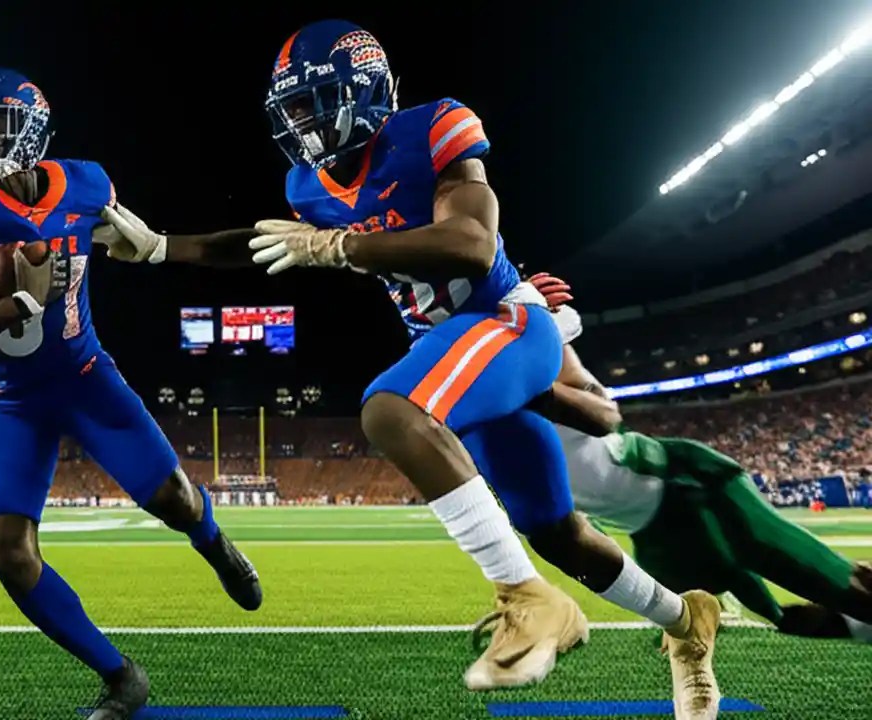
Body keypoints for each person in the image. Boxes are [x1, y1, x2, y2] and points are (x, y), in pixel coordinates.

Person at [97, 21, 720, 715]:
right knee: (557, 532)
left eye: (312, 104)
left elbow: (472, 242)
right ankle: (686, 620)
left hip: (504, 323)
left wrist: (342, 247)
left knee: (391, 410)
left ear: (364, 90)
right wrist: (160, 248)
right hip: (451, 351)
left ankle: (526, 599)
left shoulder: (433, 129)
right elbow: (263, 242)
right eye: (290, 111)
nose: (301, 126)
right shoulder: (308, 185)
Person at [0, 68, 261, 719]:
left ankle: (213, 541)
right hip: (11, 396)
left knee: (175, 499)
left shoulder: (86, 185)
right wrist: (15, 303)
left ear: (33, 132)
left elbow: (158, 247)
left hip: (86, 376)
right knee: (4, 550)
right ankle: (120, 676)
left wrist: (150, 247)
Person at [530, 274, 872, 645]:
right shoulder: (491, 430)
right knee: (752, 605)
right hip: (651, 533)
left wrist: (530, 376)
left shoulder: (534, 356)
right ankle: (852, 624)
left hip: (683, 479)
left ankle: (858, 604)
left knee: (786, 556)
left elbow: (603, 413)